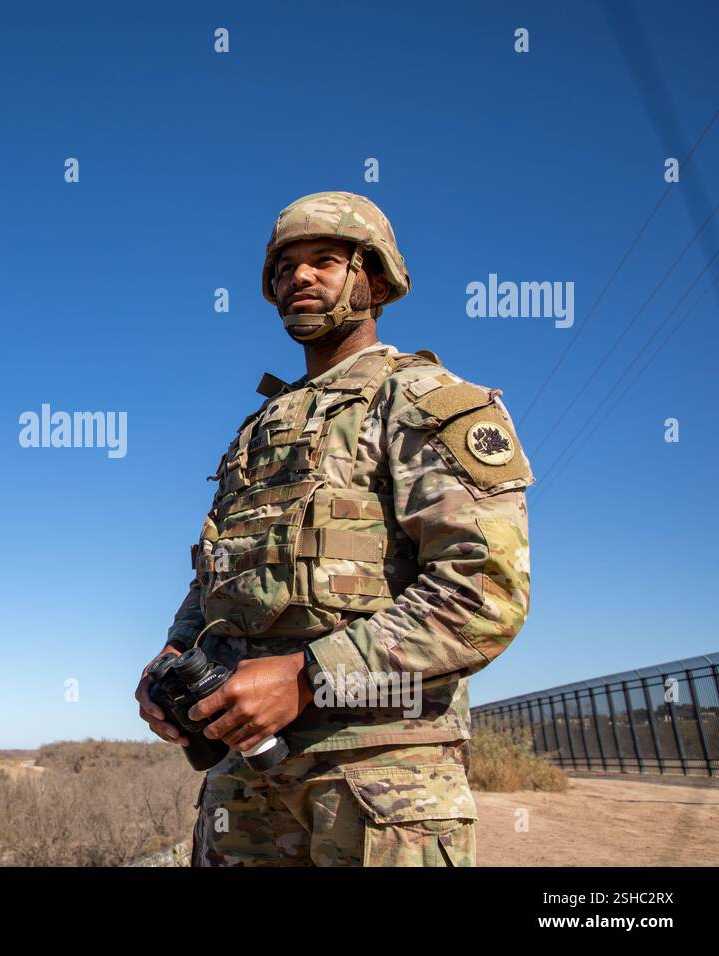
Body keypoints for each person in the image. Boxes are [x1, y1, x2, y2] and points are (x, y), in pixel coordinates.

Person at [135, 191, 534, 866]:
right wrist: (174, 658)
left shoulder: (423, 400)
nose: (300, 276)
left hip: (381, 777)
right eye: (286, 265)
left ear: (375, 282)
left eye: (324, 260)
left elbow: (484, 592)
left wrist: (309, 676)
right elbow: (221, 573)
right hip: (245, 777)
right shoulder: (258, 428)